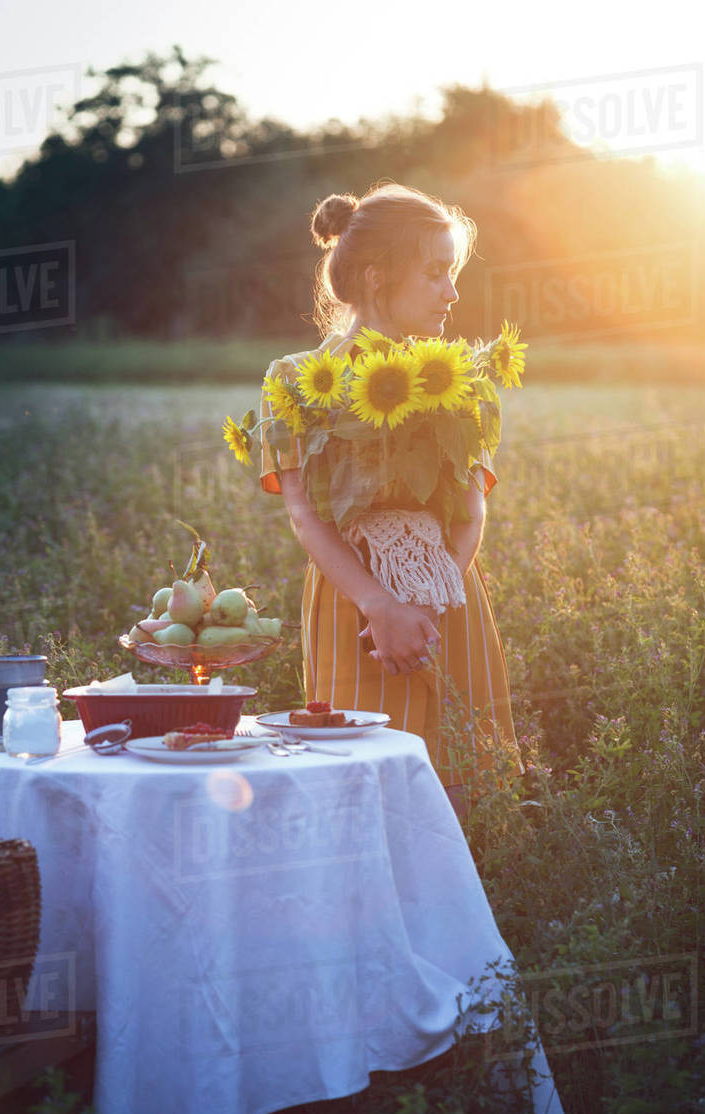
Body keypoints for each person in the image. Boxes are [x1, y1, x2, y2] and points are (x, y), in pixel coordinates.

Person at [258, 181, 525, 819]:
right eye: (436, 273)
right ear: (379, 279)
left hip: (446, 599)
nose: (453, 293)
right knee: (362, 790)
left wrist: (422, 611)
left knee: (463, 793)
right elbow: (305, 514)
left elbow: (472, 510)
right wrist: (381, 606)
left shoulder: (463, 378)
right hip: (354, 608)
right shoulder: (293, 379)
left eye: (453, 274)